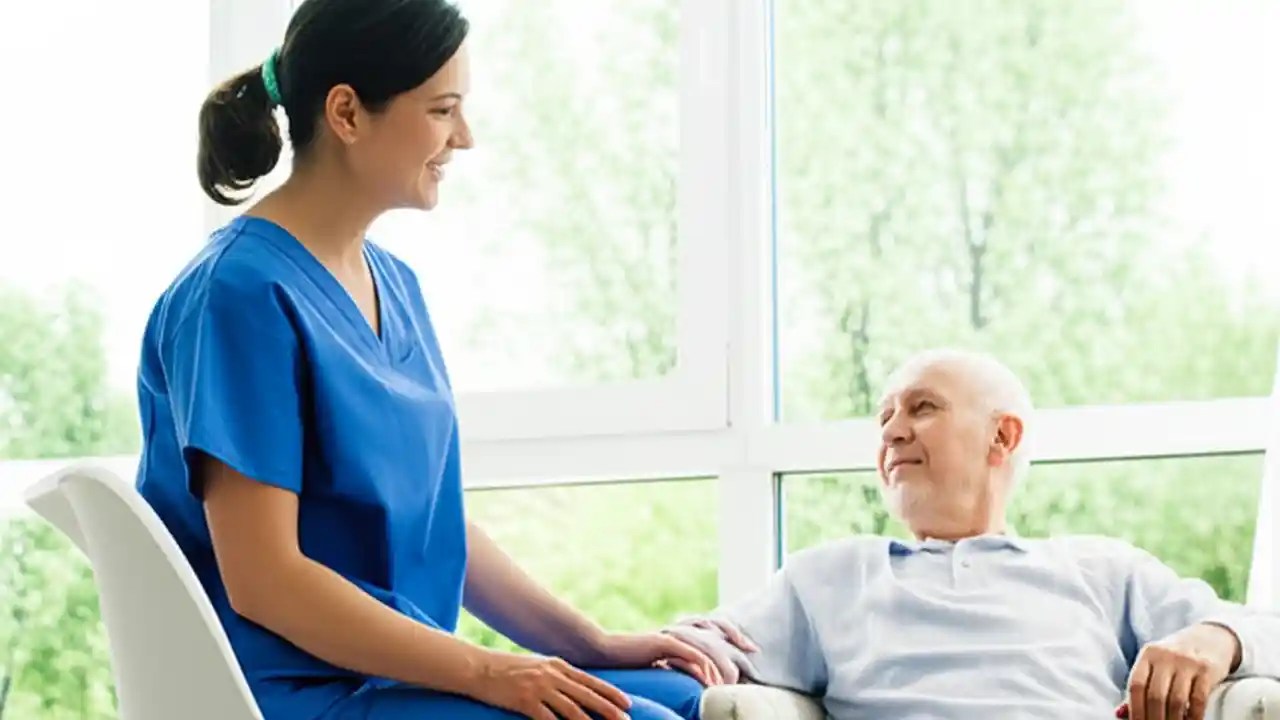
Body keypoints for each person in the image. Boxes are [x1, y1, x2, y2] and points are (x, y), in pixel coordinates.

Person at [134, 1, 735, 718]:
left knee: (690, 697)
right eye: (443, 110)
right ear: (347, 114)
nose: (465, 137)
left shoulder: (396, 285)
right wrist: (489, 671)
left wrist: (594, 644)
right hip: (290, 694)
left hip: (395, 676)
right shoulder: (236, 295)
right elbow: (266, 581)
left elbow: (439, 529)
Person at [666, 349, 1280, 720]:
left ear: (1002, 437)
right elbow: (692, 649)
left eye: (922, 408)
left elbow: (1268, 631)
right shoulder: (829, 576)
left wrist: (1217, 636)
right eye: (884, 418)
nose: (892, 432)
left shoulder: (1101, 571)